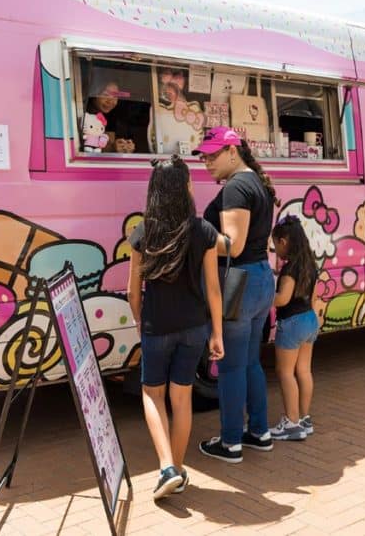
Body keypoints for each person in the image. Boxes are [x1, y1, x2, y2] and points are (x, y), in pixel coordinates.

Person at [126, 156, 225, 499]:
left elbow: (132, 291)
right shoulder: (204, 232)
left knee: (152, 394)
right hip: (194, 328)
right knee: (181, 398)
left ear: (154, 192)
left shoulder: (143, 233)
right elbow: (214, 288)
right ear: (186, 188)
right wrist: (217, 333)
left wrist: (141, 322)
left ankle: (166, 466)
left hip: (157, 326)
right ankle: (178, 471)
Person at [194, 127, 280, 463]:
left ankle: (230, 442)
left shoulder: (236, 187)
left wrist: (193, 232)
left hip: (237, 282)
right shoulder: (254, 183)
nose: (206, 162)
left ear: (233, 151)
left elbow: (233, 244)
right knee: (250, 364)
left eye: (213, 155)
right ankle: (259, 432)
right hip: (259, 278)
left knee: (229, 368)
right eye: (203, 156)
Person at [268, 215, 319, 441]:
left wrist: (265, 294)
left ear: (284, 241)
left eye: (275, 244)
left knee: (285, 372)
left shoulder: (290, 270)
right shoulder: (310, 265)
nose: (275, 249)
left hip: (292, 324)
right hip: (309, 320)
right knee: (304, 371)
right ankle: (304, 418)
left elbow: (282, 300)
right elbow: (315, 298)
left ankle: (291, 422)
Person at [84, 78, 148, 154]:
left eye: (115, 96)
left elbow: (107, 143)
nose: (110, 101)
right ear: (94, 94)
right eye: (105, 95)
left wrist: (123, 146)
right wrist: (112, 148)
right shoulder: (83, 113)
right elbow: (89, 145)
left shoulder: (110, 114)